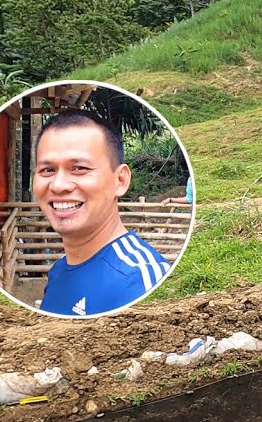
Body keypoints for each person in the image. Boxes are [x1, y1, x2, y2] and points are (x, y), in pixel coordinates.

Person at [34, 109, 171, 316]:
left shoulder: (141, 280)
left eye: (79, 168)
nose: (58, 185)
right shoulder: (59, 272)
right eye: (47, 170)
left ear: (120, 181)